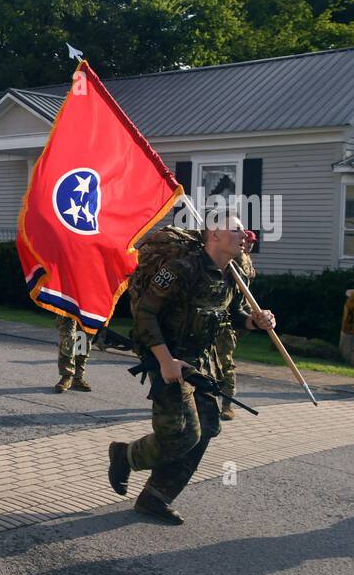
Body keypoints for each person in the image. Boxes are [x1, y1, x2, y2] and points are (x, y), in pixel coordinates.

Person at [107, 213, 276, 524]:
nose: (245, 234)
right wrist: (165, 360)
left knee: (208, 428)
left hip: (201, 364)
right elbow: (145, 313)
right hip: (169, 360)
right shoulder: (181, 269)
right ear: (213, 235)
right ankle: (125, 455)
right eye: (235, 229)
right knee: (182, 435)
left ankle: (155, 498)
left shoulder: (232, 274)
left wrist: (255, 320)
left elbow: (228, 315)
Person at [213, 222, 257, 419]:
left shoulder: (243, 260)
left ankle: (227, 405)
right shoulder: (237, 258)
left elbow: (239, 299)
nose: (248, 244)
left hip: (229, 320)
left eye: (250, 242)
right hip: (216, 317)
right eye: (248, 241)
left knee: (225, 362)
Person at [55, 316, 91, 392]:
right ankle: (66, 376)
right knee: (67, 339)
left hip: (87, 307)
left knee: (83, 338)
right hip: (69, 307)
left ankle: (78, 377)